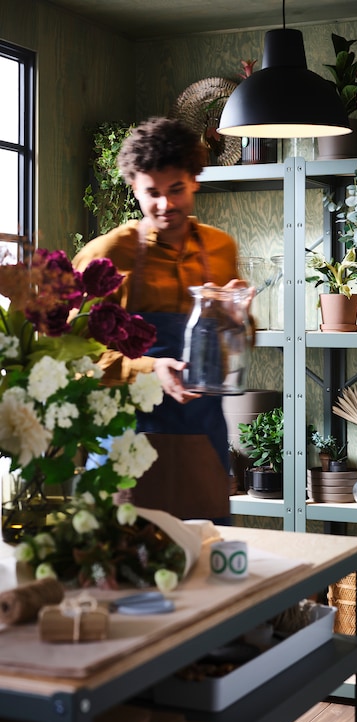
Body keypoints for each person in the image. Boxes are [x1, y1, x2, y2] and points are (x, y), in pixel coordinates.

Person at [73, 116, 252, 524]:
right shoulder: (108, 254)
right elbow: (74, 355)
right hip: (126, 442)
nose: (165, 205)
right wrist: (149, 369)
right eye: (152, 193)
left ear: (195, 180)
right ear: (134, 186)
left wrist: (236, 317)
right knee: (125, 570)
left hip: (201, 440)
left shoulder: (220, 249)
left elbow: (237, 342)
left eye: (176, 190)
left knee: (205, 566)